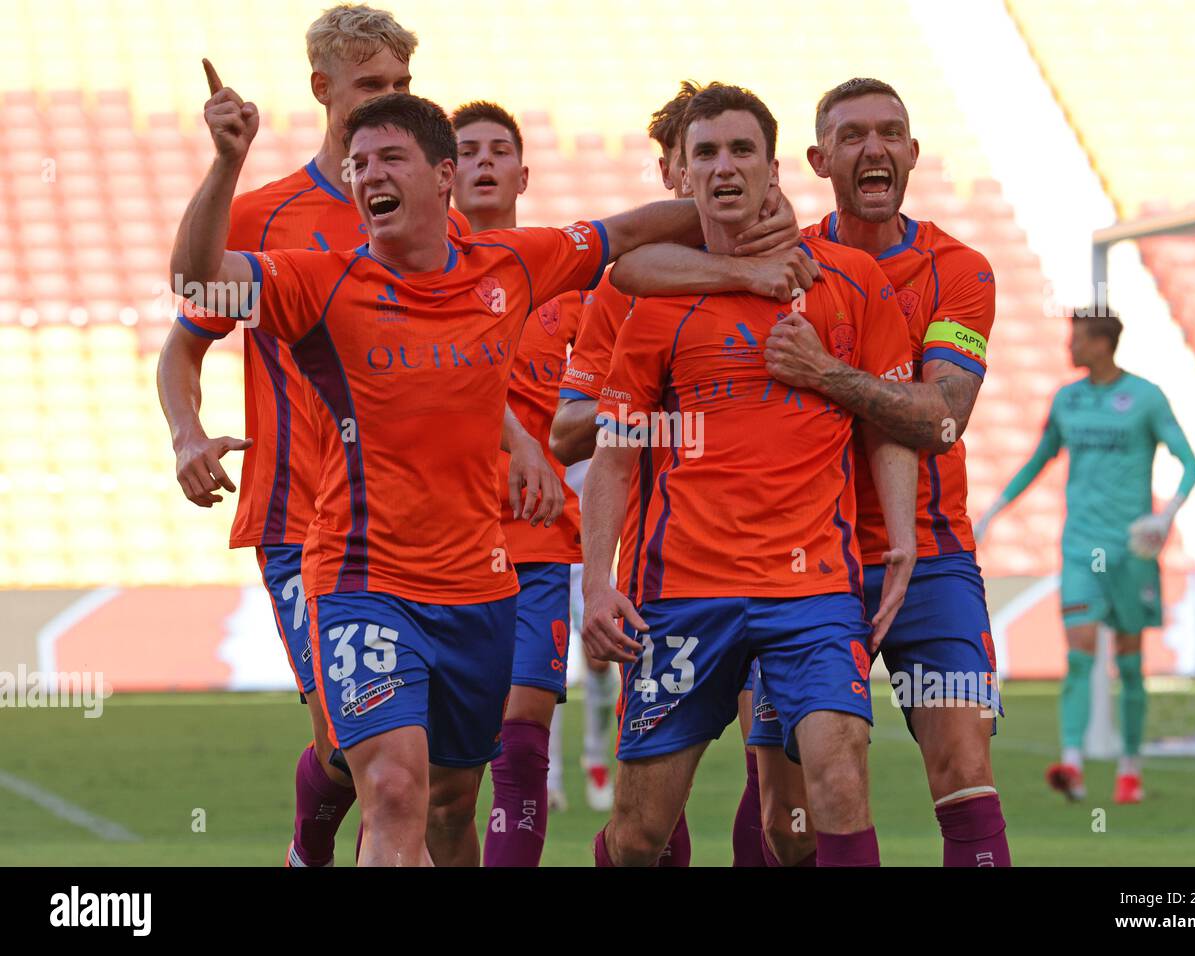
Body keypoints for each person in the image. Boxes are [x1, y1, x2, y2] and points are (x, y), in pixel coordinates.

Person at [170, 80, 737, 864]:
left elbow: (627, 231)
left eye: (390, 158)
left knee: (448, 802)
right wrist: (226, 164)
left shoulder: (510, 265)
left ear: (441, 177)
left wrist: (747, 223)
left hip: (479, 589)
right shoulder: (320, 282)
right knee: (395, 791)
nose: (369, 175)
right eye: (360, 162)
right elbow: (199, 283)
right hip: (360, 578)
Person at [152, 5, 545, 868]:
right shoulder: (265, 217)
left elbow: (451, 358)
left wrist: (515, 438)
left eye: (403, 86)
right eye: (373, 86)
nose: (391, 99)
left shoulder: (429, 210)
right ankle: (311, 845)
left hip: (427, 532)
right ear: (322, 90)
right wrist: (187, 434)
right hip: (303, 523)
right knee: (365, 753)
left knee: (430, 779)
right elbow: (183, 345)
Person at [611, 77, 1010, 867]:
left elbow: (942, 418)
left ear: (913, 153)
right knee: (785, 819)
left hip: (923, 554)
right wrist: (743, 273)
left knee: (963, 770)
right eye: (854, 136)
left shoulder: (959, 270)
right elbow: (635, 261)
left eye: (891, 133)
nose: (876, 149)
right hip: (794, 566)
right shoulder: (784, 251)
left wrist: (826, 374)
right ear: (818, 159)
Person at [550, 81, 806, 864]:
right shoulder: (629, 293)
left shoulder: (798, 261)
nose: (715, 173)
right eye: (694, 157)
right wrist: (661, 401)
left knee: (783, 802)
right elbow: (568, 432)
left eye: (739, 153)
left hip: (787, 564)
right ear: (672, 175)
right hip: (673, 570)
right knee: (656, 818)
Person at [975, 307, 1195, 805]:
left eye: (1076, 338)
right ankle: (1072, 764)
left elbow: (1190, 463)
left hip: (1132, 552)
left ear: (1101, 343)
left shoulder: (1145, 398)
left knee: (1130, 663)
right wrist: (993, 512)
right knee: (1079, 655)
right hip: (1080, 549)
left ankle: (1130, 770)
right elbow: (1039, 459)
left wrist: (1165, 518)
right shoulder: (1067, 400)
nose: (1068, 347)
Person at [448, 99, 583, 865]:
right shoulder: (411, 278)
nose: (486, 162)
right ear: (445, 171)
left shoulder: (567, 292)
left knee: (523, 746)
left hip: (537, 543)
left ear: (524, 173)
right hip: (442, 547)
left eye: (501, 150)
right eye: (468, 150)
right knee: (436, 772)